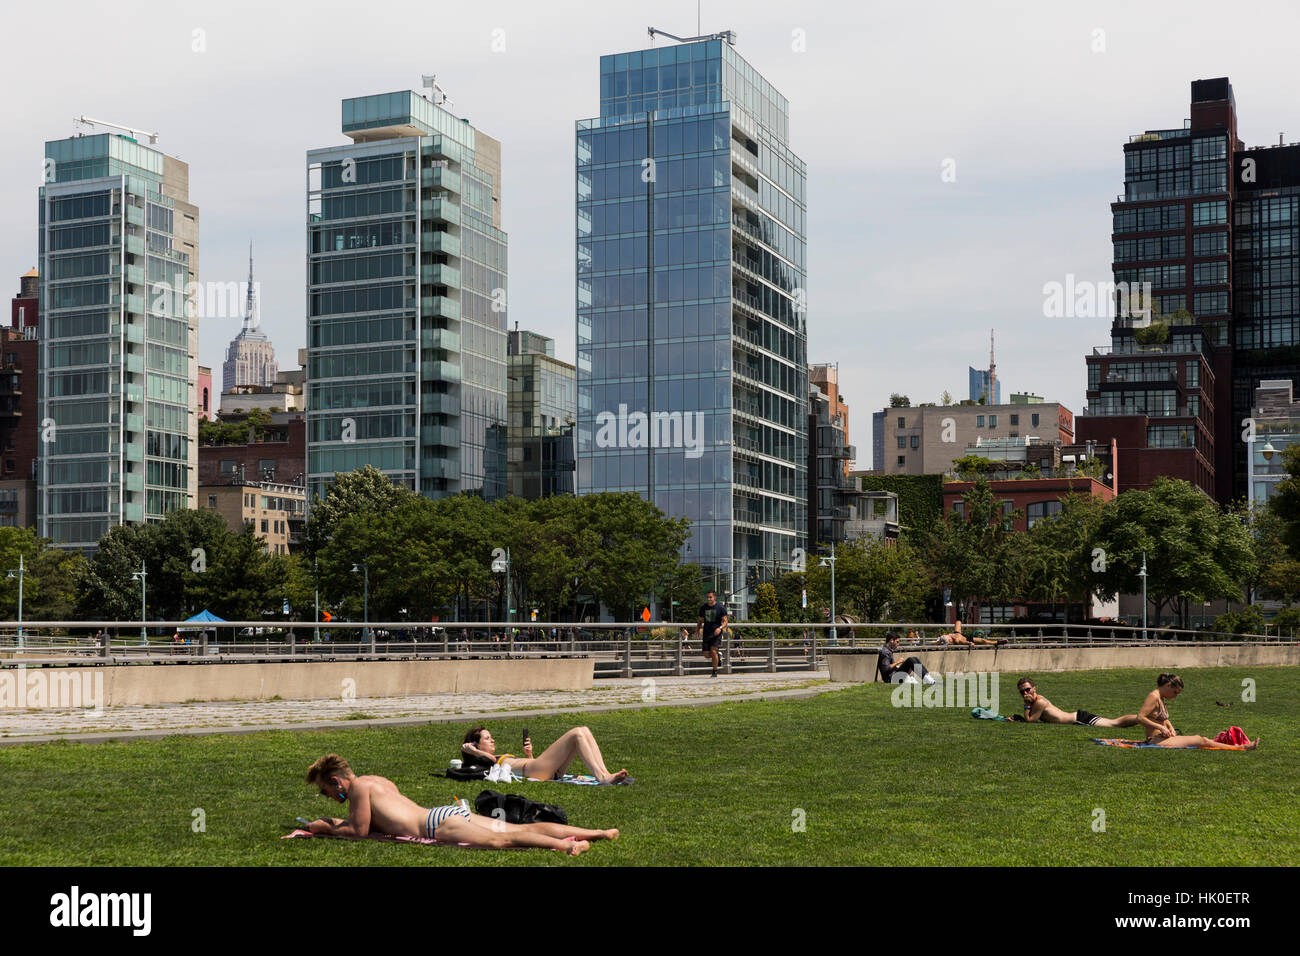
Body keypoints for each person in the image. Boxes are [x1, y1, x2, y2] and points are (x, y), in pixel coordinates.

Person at [304, 755, 617, 855]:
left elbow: (358, 830)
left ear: (336, 781)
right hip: (446, 814)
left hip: (438, 825)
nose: (329, 797)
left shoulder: (357, 788)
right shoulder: (375, 780)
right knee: (519, 828)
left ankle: (566, 847)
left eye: (325, 791)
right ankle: (598, 832)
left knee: (502, 838)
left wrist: (323, 827)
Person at [462, 725, 630, 784]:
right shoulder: (485, 761)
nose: (492, 740)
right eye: (487, 738)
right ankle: (602, 777)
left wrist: (529, 755)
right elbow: (486, 760)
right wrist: (473, 750)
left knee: (584, 730)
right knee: (576, 733)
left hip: (538, 769)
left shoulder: (498, 756)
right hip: (537, 770)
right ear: (477, 744)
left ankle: (606, 773)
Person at [1137, 674, 1259, 749]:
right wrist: (1161, 728)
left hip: (1162, 737)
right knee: (1202, 741)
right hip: (1156, 740)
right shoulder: (1153, 696)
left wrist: (1169, 726)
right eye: (1175, 693)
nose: (1175, 697)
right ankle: (1242, 747)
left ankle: (1235, 745)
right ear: (1168, 685)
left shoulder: (1160, 697)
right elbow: (1140, 717)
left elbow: (1158, 717)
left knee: (1200, 738)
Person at [1014, 677, 1139, 727]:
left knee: (1114, 723)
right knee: (1115, 723)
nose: (1025, 693)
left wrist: (1026, 705)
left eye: (1027, 690)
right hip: (1077, 718)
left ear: (1034, 688)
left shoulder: (1039, 702)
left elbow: (1030, 721)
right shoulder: (1036, 701)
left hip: (1079, 719)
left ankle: (1143, 718)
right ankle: (1143, 718)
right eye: (1022, 692)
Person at [697, 590, 727, 678]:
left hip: (716, 633)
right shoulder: (703, 608)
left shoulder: (720, 608)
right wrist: (697, 630)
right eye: (707, 597)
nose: (708, 599)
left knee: (713, 650)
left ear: (714, 597)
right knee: (706, 655)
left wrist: (720, 628)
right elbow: (700, 620)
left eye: (710, 597)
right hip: (706, 633)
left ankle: (714, 671)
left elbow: (725, 622)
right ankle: (718, 656)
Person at [933, 620, 1006, 646]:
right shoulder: (956, 640)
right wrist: (969, 643)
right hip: (967, 638)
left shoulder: (945, 637)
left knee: (958, 621)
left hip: (958, 633)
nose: (945, 635)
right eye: (947, 637)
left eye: (945, 636)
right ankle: (997, 642)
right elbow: (963, 642)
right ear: (949, 640)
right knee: (983, 640)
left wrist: (932, 643)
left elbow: (937, 642)